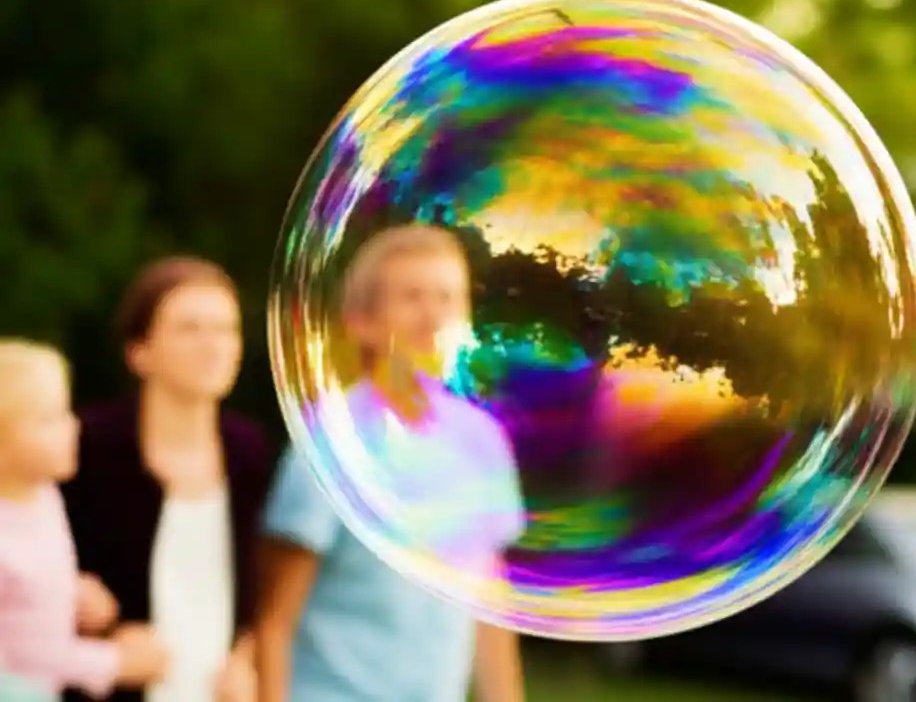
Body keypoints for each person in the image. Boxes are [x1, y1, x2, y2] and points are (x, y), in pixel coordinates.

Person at [257, 225, 526, 702]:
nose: (434, 314)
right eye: (413, 296)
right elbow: (275, 621)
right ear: (362, 321)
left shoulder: (480, 441)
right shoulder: (332, 440)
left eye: (448, 297)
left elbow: (489, 606)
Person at [62, 258, 276, 702]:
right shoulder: (88, 445)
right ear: (139, 351)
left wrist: (246, 657)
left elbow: (261, 581)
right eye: (189, 329)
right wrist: (97, 631)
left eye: (225, 329)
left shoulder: (247, 451)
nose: (212, 345)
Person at [0, 340, 168, 700]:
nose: (73, 426)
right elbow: (25, 659)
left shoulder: (43, 495)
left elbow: (20, 598)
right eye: (48, 419)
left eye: (66, 412)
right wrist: (118, 662)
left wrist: (70, 590)